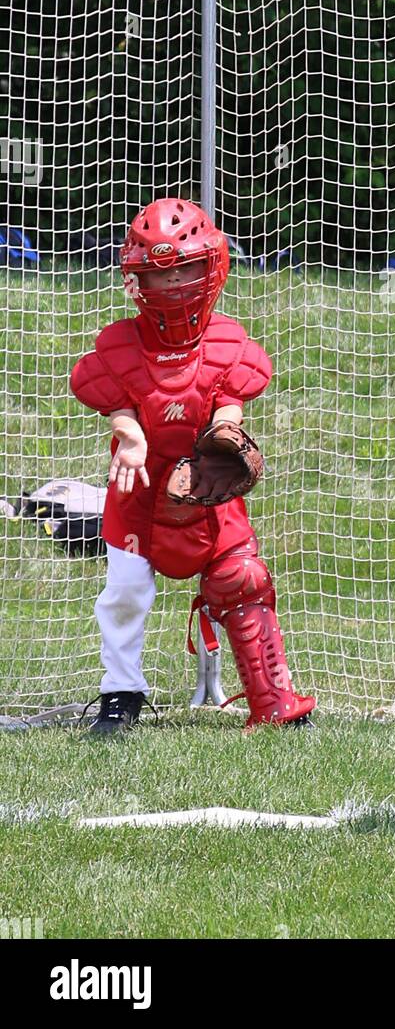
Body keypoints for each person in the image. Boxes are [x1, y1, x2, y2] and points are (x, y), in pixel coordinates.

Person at [70, 196, 315, 735]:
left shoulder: (227, 342)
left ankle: (273, 699)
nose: (175, 283)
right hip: (138, 491)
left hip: (207, 488)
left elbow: (228, 405)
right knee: (126, 592)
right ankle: (121, 694)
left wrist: (227, 434)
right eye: (160, 274)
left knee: (242, 579)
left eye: (186, 268)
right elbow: (121, 413)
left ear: (211, 265)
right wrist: (130, 440)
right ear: (138, 280)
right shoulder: (119, 345)